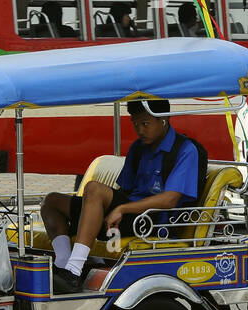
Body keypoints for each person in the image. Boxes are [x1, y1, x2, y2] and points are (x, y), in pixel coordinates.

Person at [39, 99, 204, 293]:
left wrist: (120, 208)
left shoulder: (185, 150)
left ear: (163, 120)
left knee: (93, 188)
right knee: (51, 201)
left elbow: (170, 199)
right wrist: (106, 207)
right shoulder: (139, 148)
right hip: (127, 215)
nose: (140, 130)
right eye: (135, 124)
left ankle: (74, 272)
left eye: (145, 124)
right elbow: (123, 189)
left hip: (151, 220)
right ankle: (65, 265)